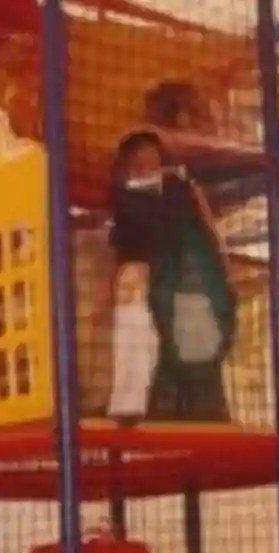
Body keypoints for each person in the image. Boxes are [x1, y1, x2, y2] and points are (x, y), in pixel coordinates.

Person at [108, 131, 236, 423]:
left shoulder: (179, 192)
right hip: (169, 297)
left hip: (188, 296)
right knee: (173, 364)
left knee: (192, 366)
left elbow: (206, 238)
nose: (147, 168)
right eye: (139, 163)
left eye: (152, 161)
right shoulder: (133, 203)